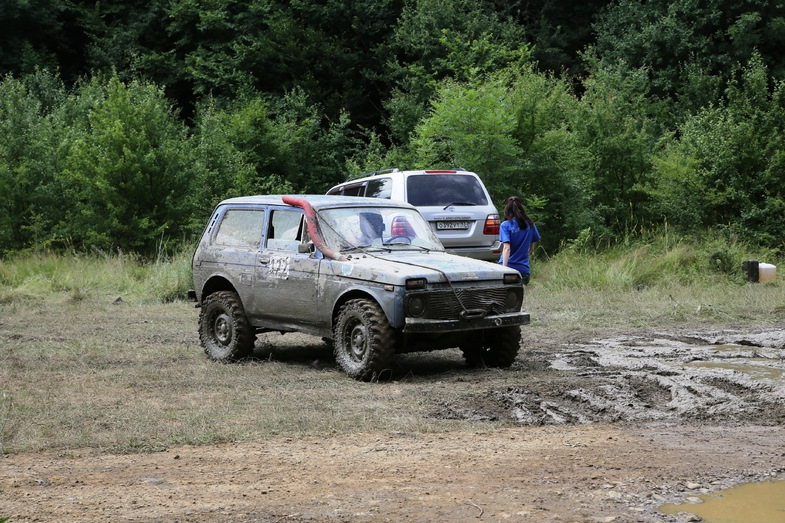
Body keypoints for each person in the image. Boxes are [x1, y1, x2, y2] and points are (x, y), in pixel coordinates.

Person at [498, 196, 540, 286]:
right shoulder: (530, 224)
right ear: (521, 208)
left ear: (507, 209)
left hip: (508, 268)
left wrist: (503, 269)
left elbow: (506, 248)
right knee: (520, 295)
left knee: (504, 294)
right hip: (523, 269)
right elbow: (531, 248)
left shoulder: (505, 225)